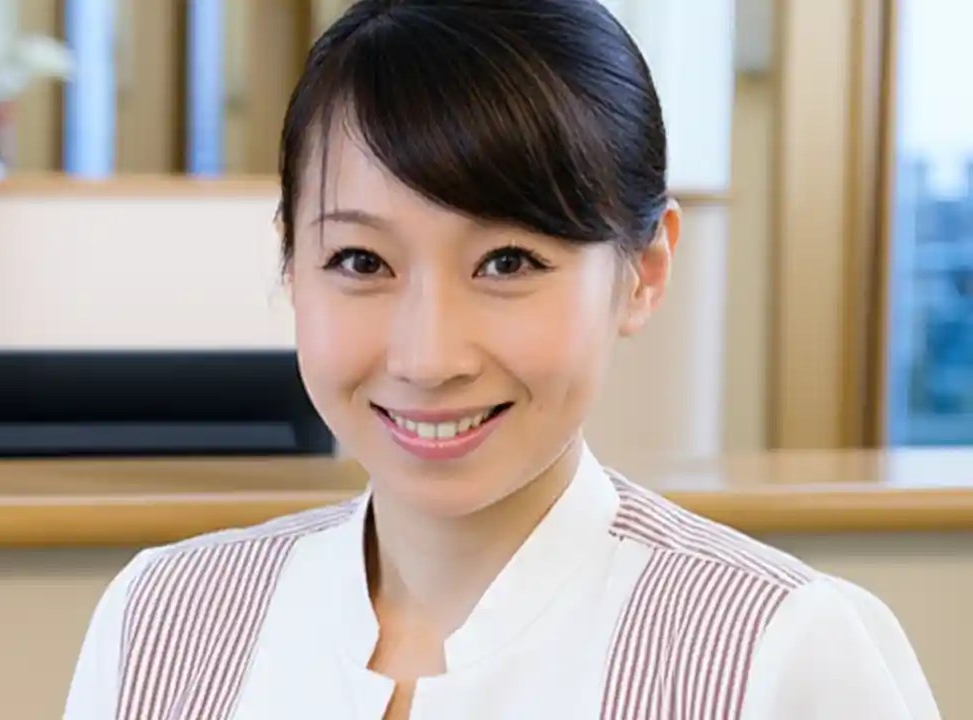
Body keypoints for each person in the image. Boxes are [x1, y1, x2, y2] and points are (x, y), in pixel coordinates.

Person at [64, 1, 940, 718]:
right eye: (362, 262)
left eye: (508, 263)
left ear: (643, 272)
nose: (429, 355)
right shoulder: (166, 621)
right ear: (292, 261)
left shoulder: (771, 650)